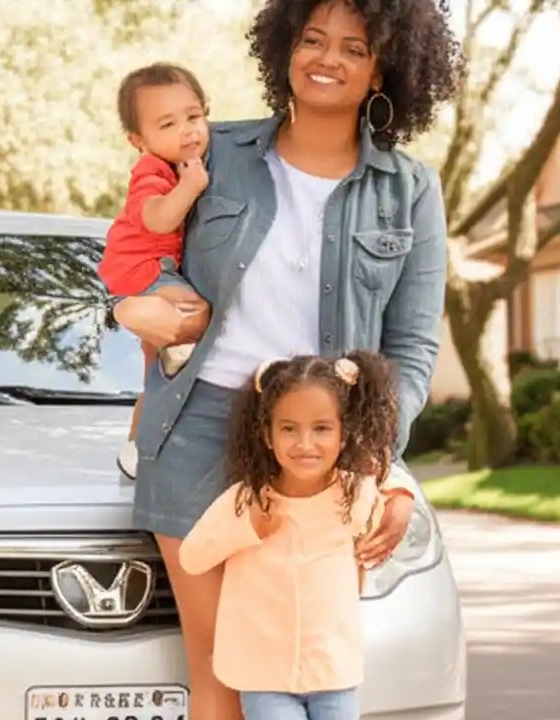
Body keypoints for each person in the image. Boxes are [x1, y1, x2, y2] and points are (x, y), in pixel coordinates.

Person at [125, 1, 464, 718]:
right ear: (285, 46)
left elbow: (410, 349)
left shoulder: (410, 191)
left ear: (383, 70)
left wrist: (379, 460)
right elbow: (141, 252)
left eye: (353, 48)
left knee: (312, 671)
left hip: (322, 449)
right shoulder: (211, 153)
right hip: (198, 428)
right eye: (312, 39)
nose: (327, 59)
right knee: (221, 670)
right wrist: (149, 306)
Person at [180, 351, 405, 720]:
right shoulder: (246, 500)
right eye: (289, 429)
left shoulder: (357, 494)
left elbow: (384, 482)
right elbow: (192, 556)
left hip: (333, 674)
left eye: (321, 428)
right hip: (263, 678)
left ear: (343, 434)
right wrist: (247, 527)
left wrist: (402, 497)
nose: (304, 444)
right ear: (267, 435)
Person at [96, 63, 214, 480]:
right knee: (195, 312)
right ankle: (131, 311)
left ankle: (136, 446)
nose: (187, 131)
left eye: (194, 116)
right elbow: (158, 219)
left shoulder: (180, 163)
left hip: (151, 270)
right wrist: (190, 187)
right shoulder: (152, 170)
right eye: (168, 124)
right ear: (138, 140)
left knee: (157, 376)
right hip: (142, 267)